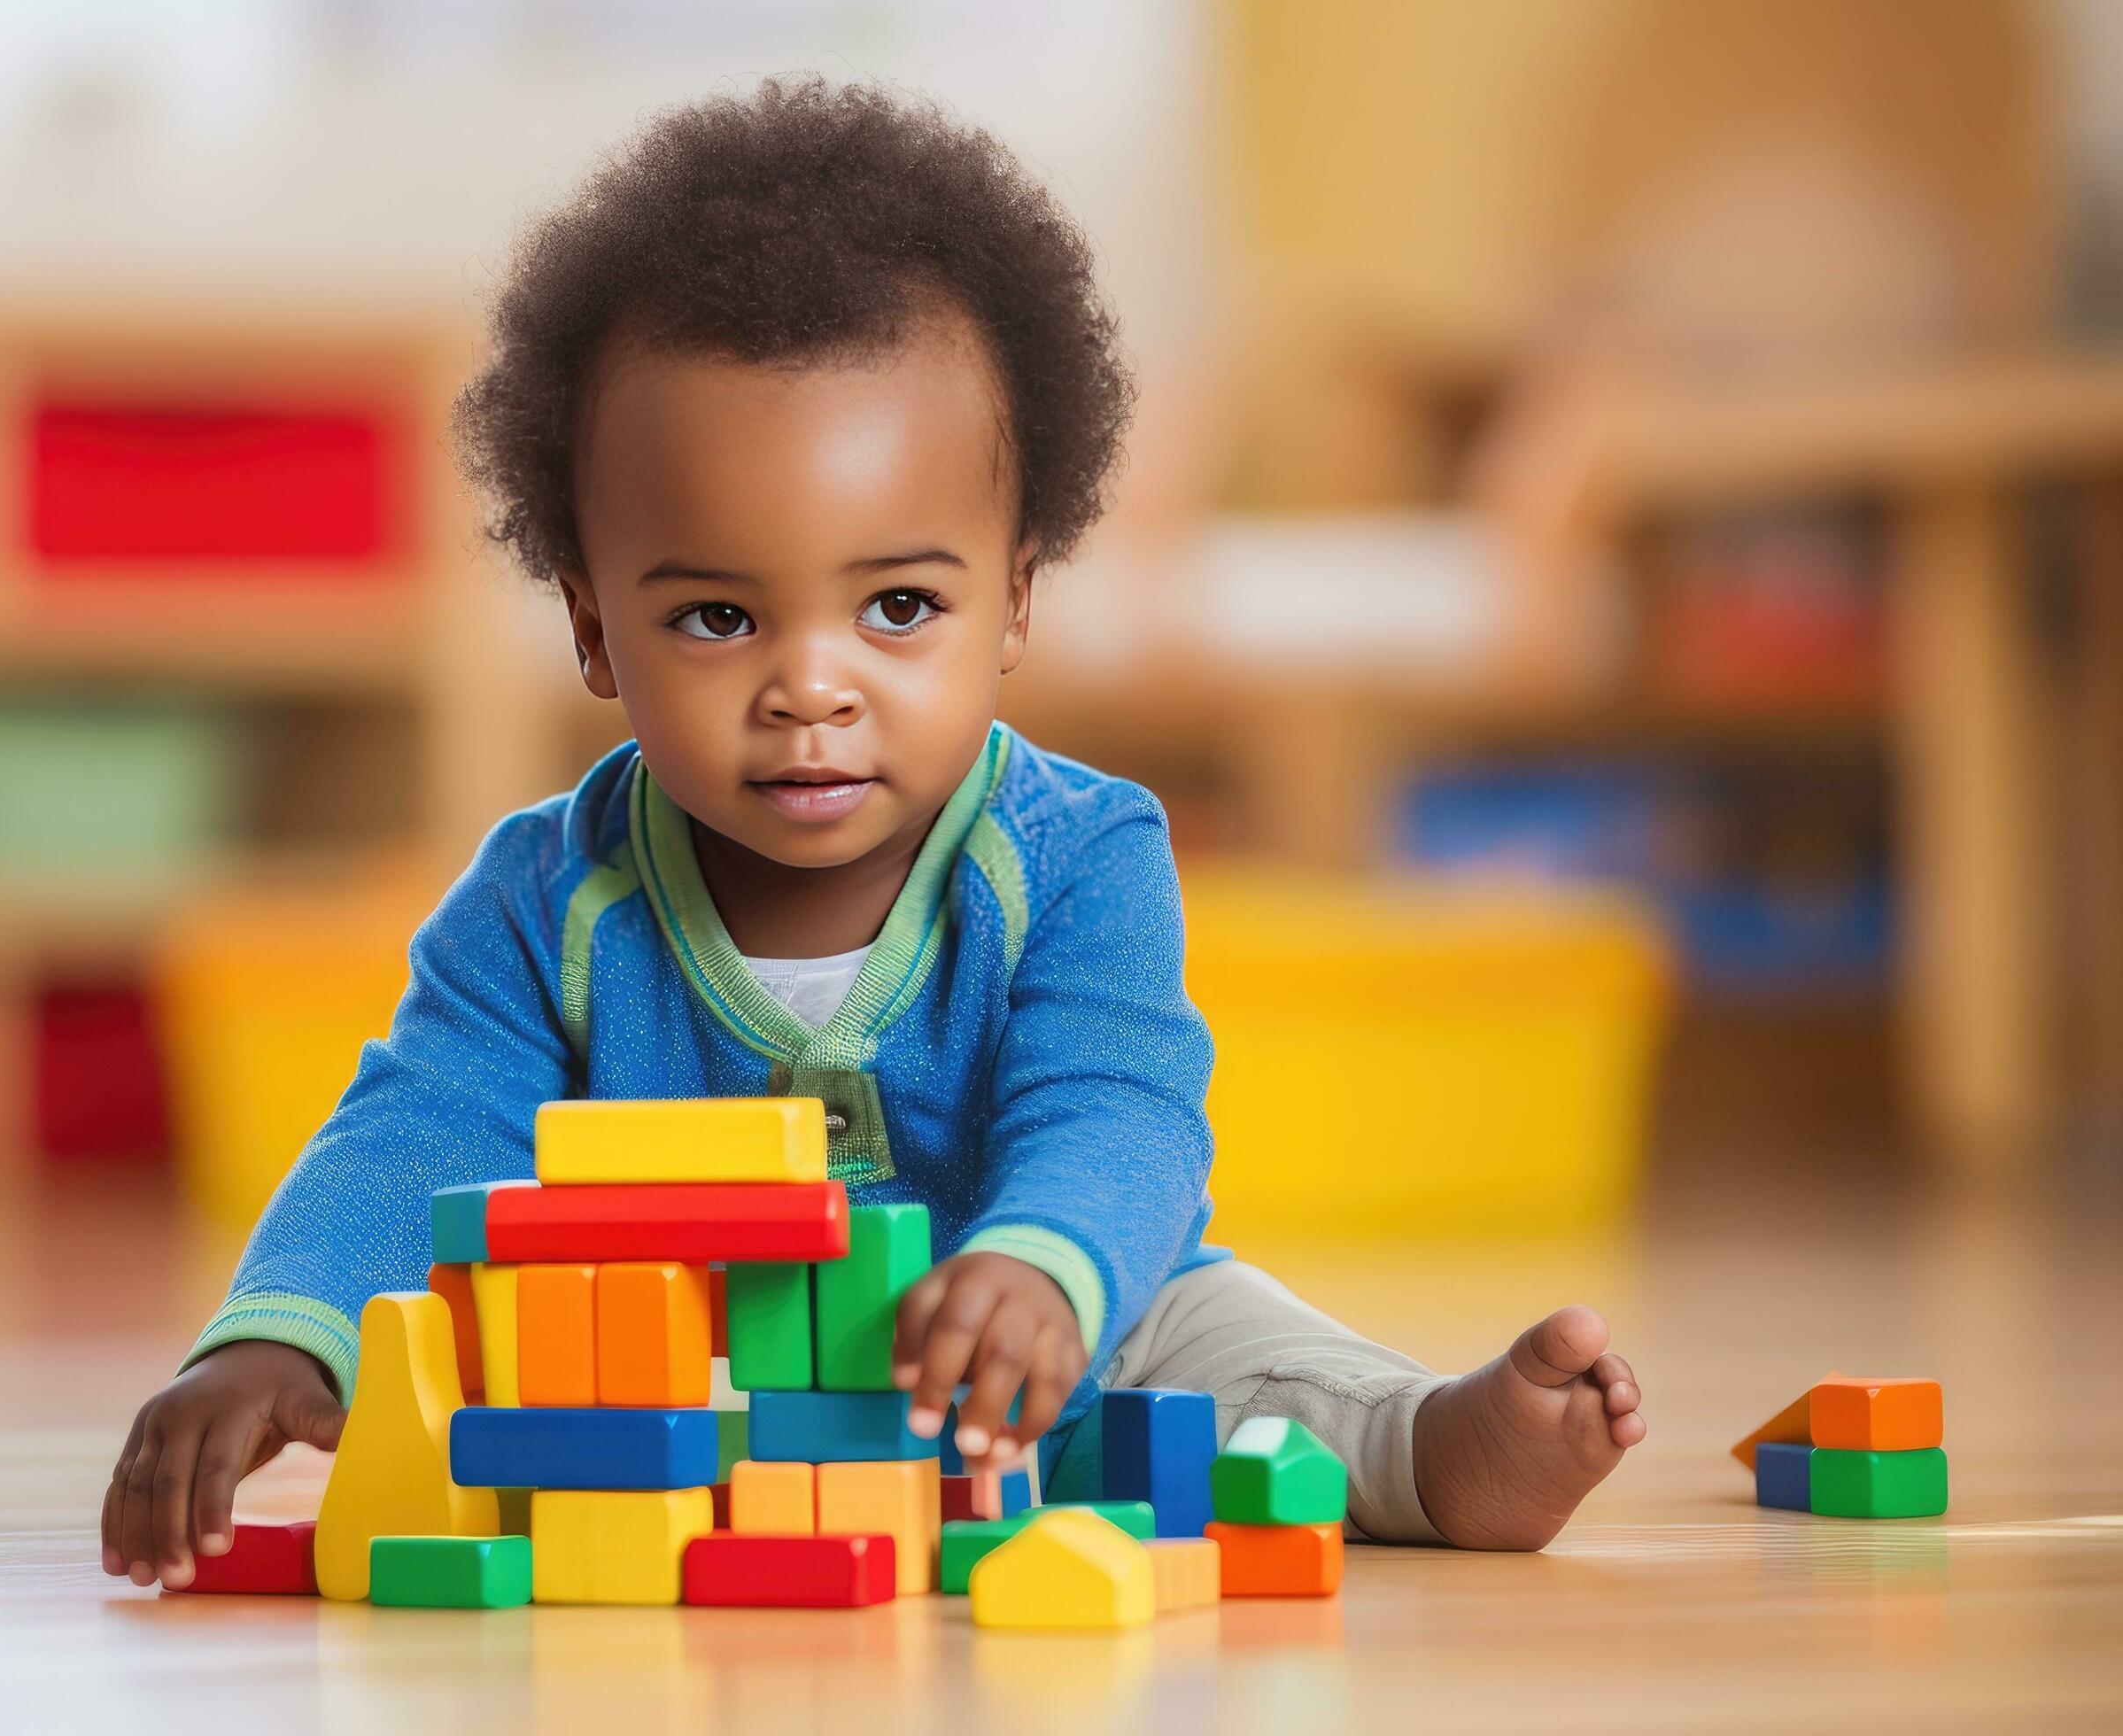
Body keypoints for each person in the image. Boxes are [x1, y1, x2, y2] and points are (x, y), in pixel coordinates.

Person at [102, 77, 1644, 1591]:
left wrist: (1039, 1264)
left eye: (898, 608)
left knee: (1223, 1352)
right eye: (716, 616)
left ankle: (1427, 1448)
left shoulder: (1081, 853)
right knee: (514, 1390)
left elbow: (1123, 1110)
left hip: (1055, 1323)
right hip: (690, 1377)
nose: (810, 689)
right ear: (590, 632)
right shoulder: (543, 899)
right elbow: (418, 1125)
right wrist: (275, 1333)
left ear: (1018, 601)